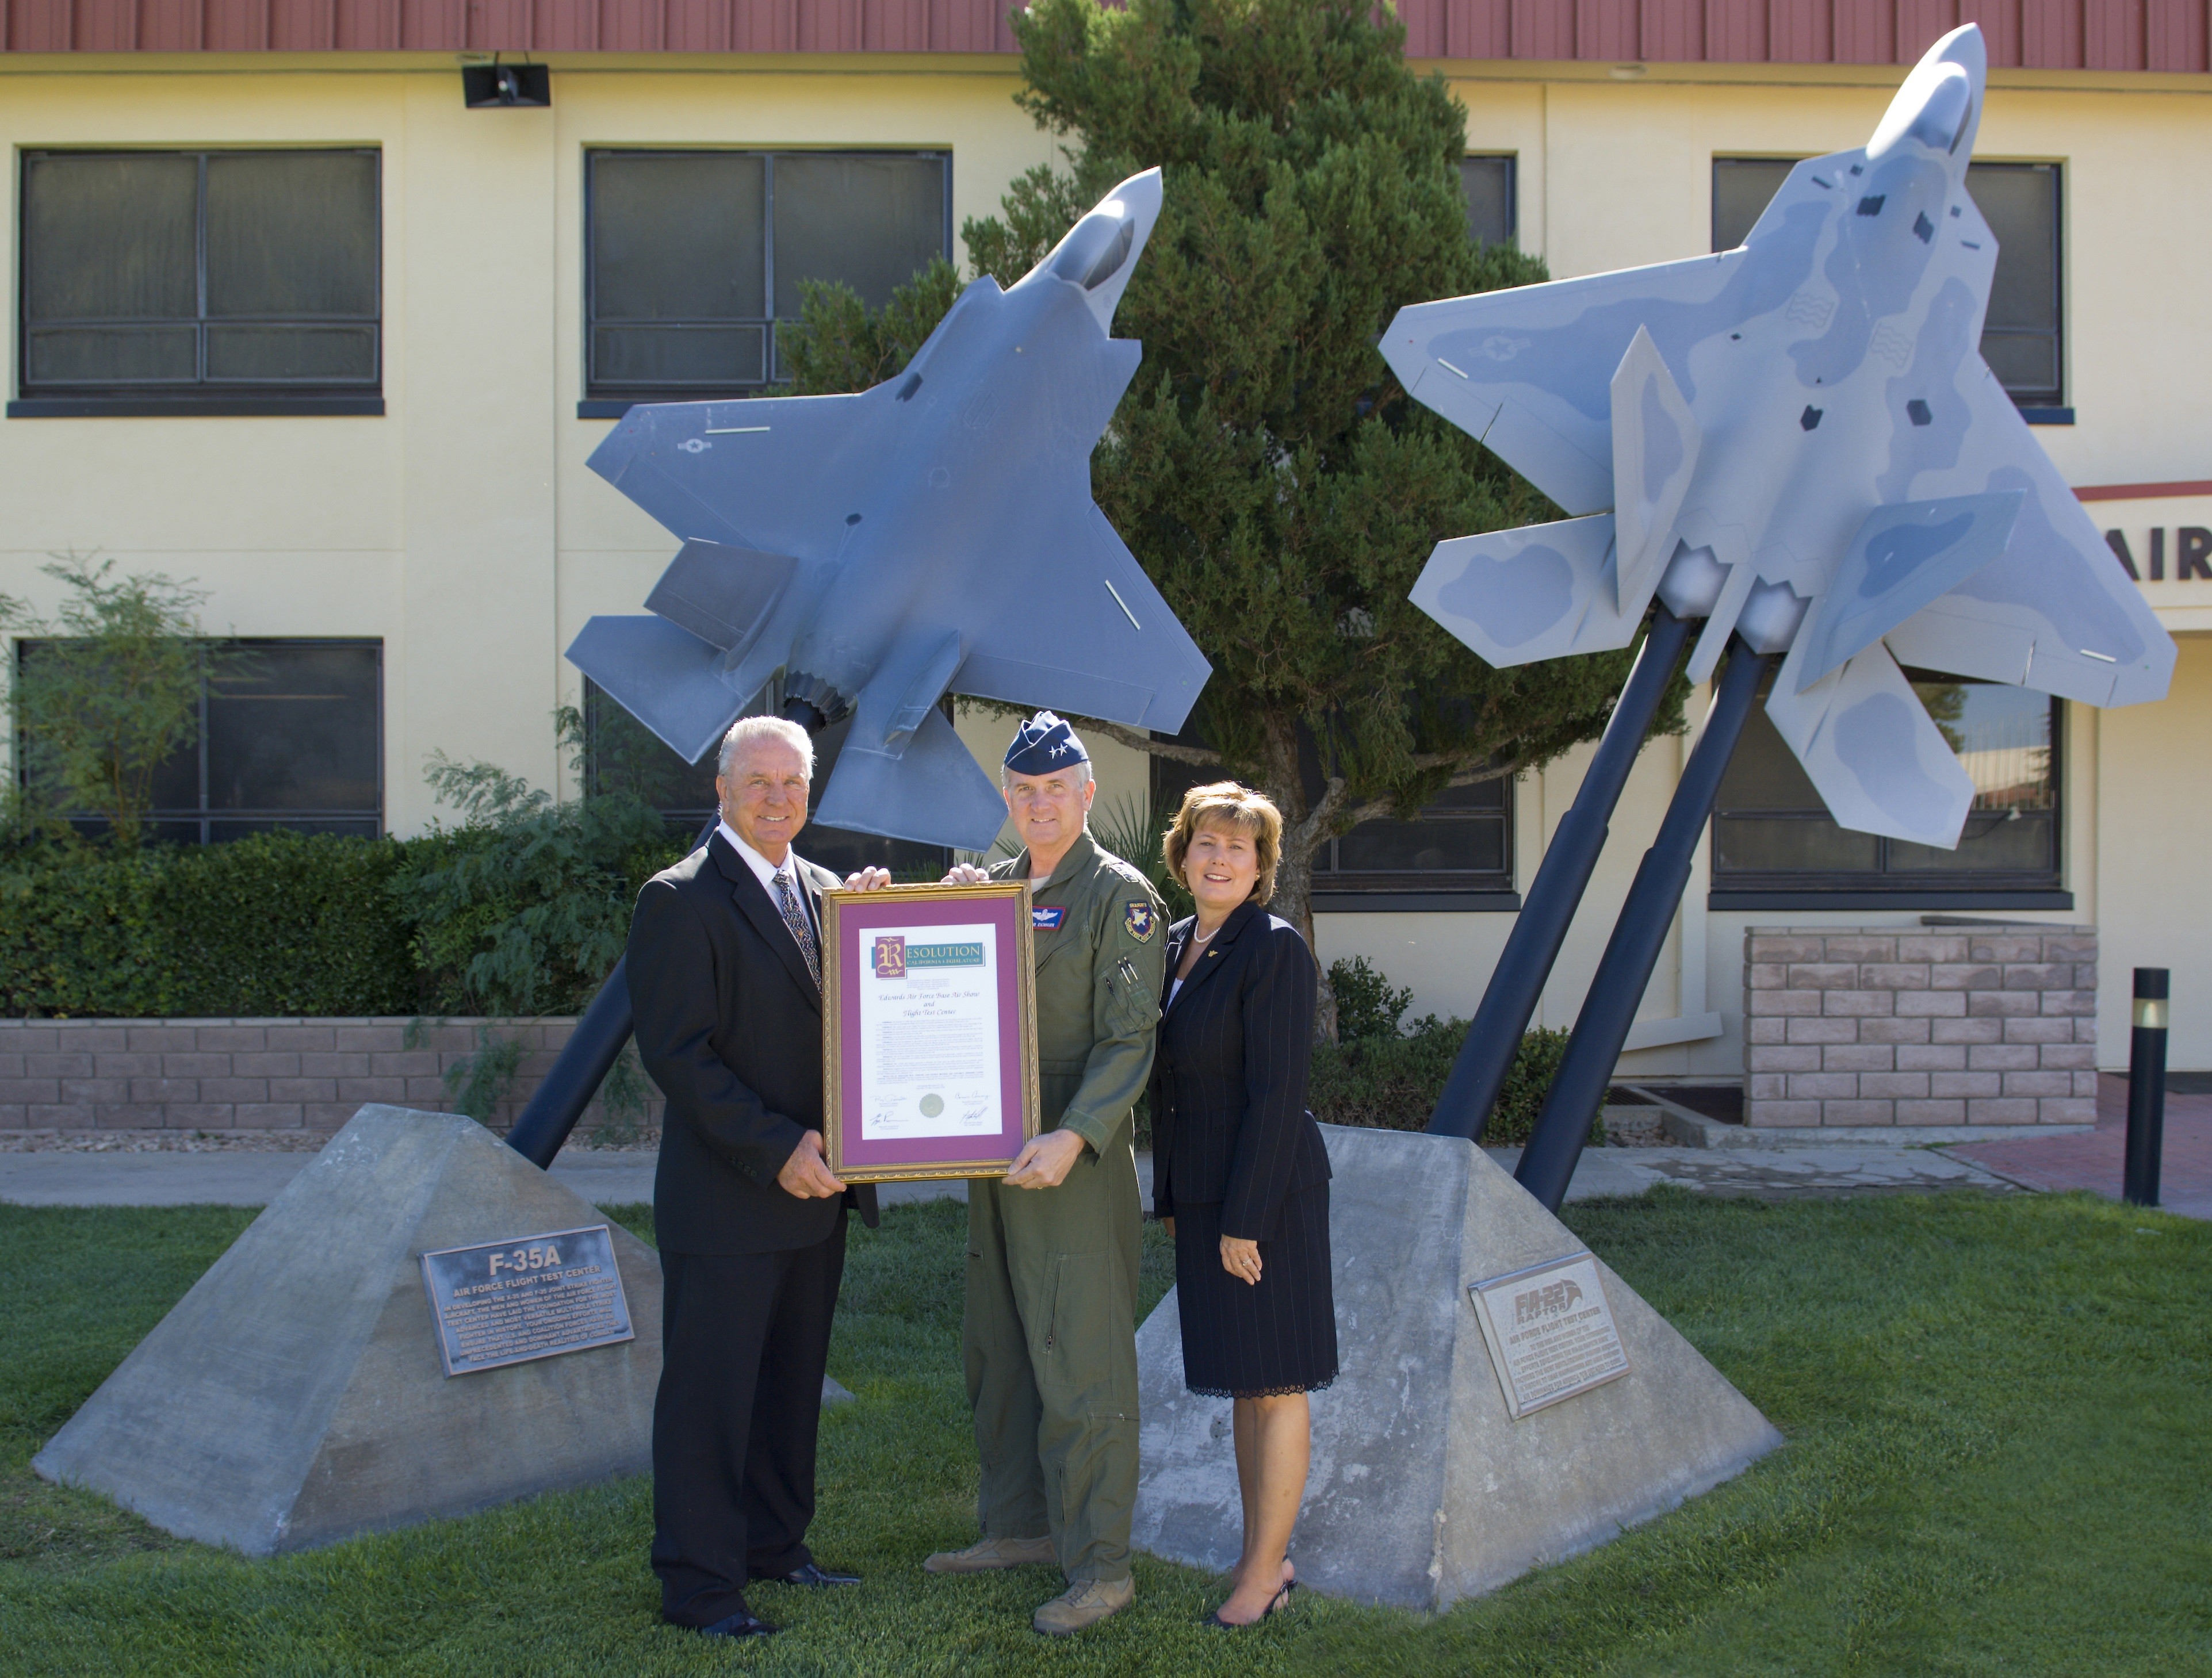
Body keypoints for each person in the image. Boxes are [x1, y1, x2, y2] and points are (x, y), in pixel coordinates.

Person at [625, 714, 881, 1642]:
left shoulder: (824, 891)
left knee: (787, 1385)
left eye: (792, 782)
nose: (777, 798)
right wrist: (775, 1146)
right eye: (759, 782)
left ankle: (776, 1545)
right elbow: (679, 1054)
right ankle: (699, 1585)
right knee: (711, 1398)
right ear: (722, 791)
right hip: (730, 1197)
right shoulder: (679, 898)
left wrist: (889, 916)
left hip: (820, 1198)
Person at [920, 712, 1168, 1635]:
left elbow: (1128, 1040)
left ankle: (1102, 1566)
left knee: (1080, 1356)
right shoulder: (991, 887)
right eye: (1022, 790)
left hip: (1070, 1159)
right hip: (990, 1151)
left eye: (1054, 788)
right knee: (1001, 1345)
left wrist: (1075, 1134)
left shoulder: (1119, 896)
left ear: (1086, 793)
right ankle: (1019, 1525)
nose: (1038, 804)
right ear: (1008, 798)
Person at [1150, 781, 1335, 1627]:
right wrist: (1173, 1198)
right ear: (1183, 854)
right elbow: (1173, 1090)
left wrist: (1242, 1221)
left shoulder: (1273, 948)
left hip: (1266, 1201)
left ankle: (1263, 1575)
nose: (1220, 859)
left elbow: (1276, 1093)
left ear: (1261, 867)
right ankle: (1262, 1552)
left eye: (1239, 847)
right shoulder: (1177, 945)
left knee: (1277, 1381)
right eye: (1207, 843)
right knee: (1243, 1381)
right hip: (1205, 1196)